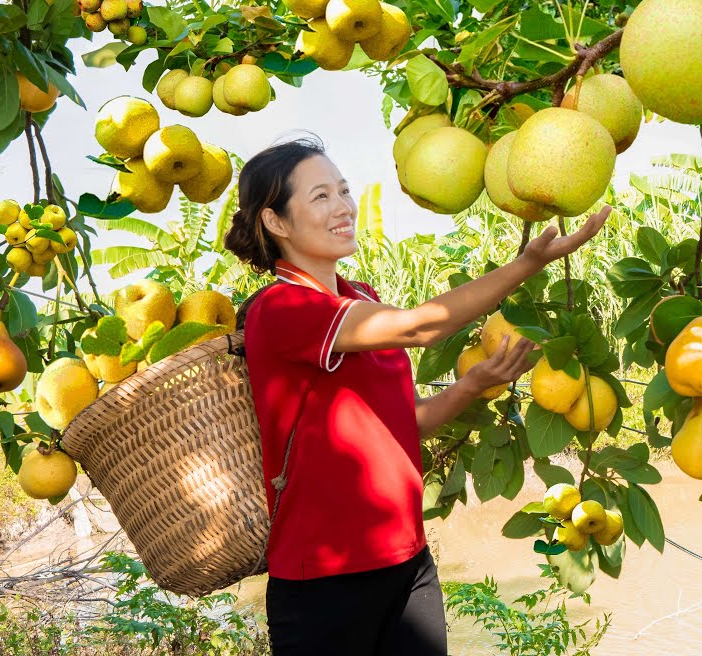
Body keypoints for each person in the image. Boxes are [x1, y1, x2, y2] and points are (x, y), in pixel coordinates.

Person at [222, 135, 610, 655]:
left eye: (343, 190)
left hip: (407, 563)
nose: (343, 207)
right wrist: (528, 263)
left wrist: (471, 385)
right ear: (275, 222)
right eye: (320, 197)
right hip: (323, 581)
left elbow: (404, 424)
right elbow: (419, 328)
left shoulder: (361, 298)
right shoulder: (282, 309)